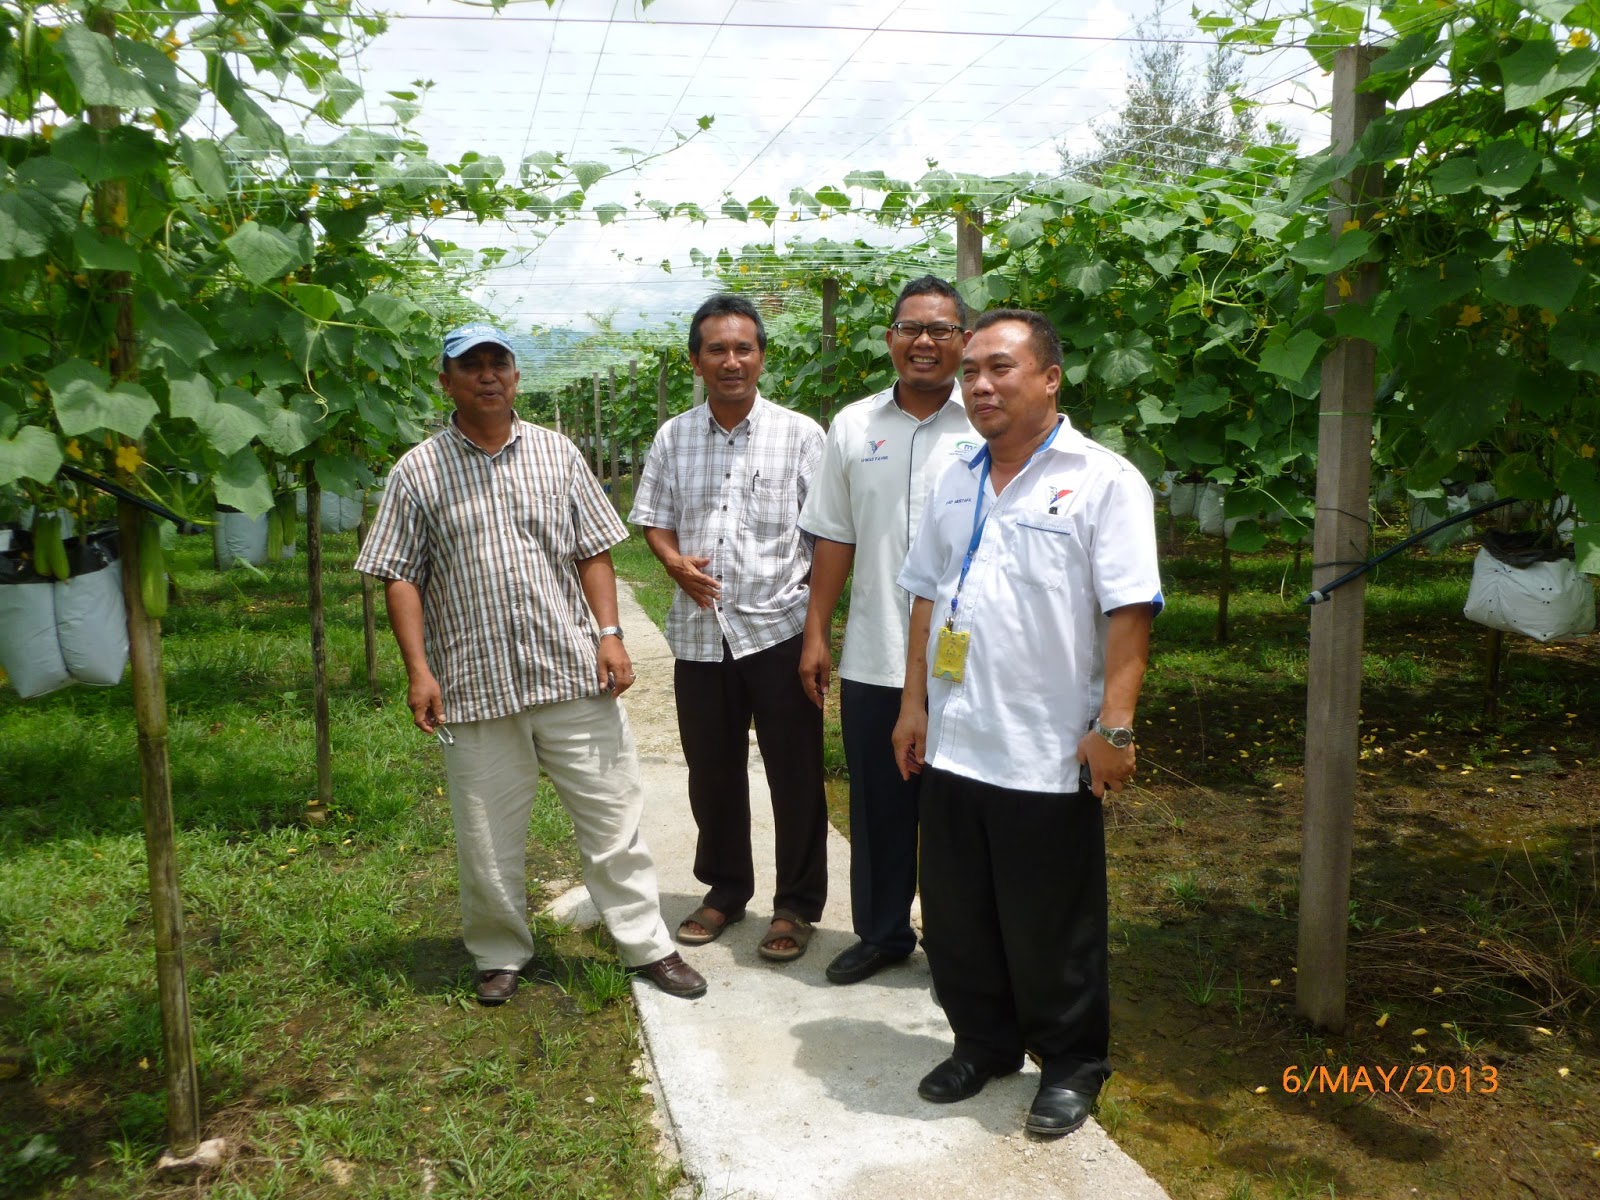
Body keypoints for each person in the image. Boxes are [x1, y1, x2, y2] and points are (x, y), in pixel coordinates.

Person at [355, 322, 706, 1006]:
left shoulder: (557, 454)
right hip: (473, 680)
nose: (488, 375)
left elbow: (592, 550)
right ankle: (499, 952)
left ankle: (645, 944)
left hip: (567, 668)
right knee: (485, 830)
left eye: (499, 363)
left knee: (611, 814)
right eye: (471, 365)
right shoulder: (417, 470)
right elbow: (399, 574)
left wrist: (609, 632)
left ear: (516, 377)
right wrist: (418, 670)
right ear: (446, 381)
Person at [890, 309, 1162, 1138]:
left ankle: (1071, 1063)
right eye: (971, 371)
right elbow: (927, 593)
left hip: (1045, 749)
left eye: (1000, 368)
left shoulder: (1104, 479)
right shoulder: (955, 474)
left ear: (1050, 378)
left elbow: (1128, 612)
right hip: (957, 739)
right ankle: (984, 1043)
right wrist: (913, 704)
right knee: (959, 912)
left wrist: (1113, 729)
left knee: (1053, 923)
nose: (979, 385)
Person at [630, 294, 828, 963]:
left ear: (762, 357)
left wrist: (819, 632)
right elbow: (654, 517)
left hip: (779, 630)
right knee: (712, 772)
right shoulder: (672, 436)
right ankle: (725, 890)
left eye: (744, 348)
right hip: (699, 632)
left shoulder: (801, 435)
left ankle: (797, 906)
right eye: (717, 349)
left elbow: (829, 535)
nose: (732, 361)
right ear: (696, 361)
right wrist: (670, 561)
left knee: (795, 773)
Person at [797, 276, 978, 986]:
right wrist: (817, 632)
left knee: (959, 806)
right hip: (874, 651)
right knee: (878, 803)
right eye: (911, 329)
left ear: (963, 340)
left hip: (965, 659)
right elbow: (835, 538)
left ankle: (961, 945)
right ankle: (882, 931)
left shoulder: (988, 420)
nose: (924, 341)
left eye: (940, 329)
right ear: (889, 340)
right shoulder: (852, 425)